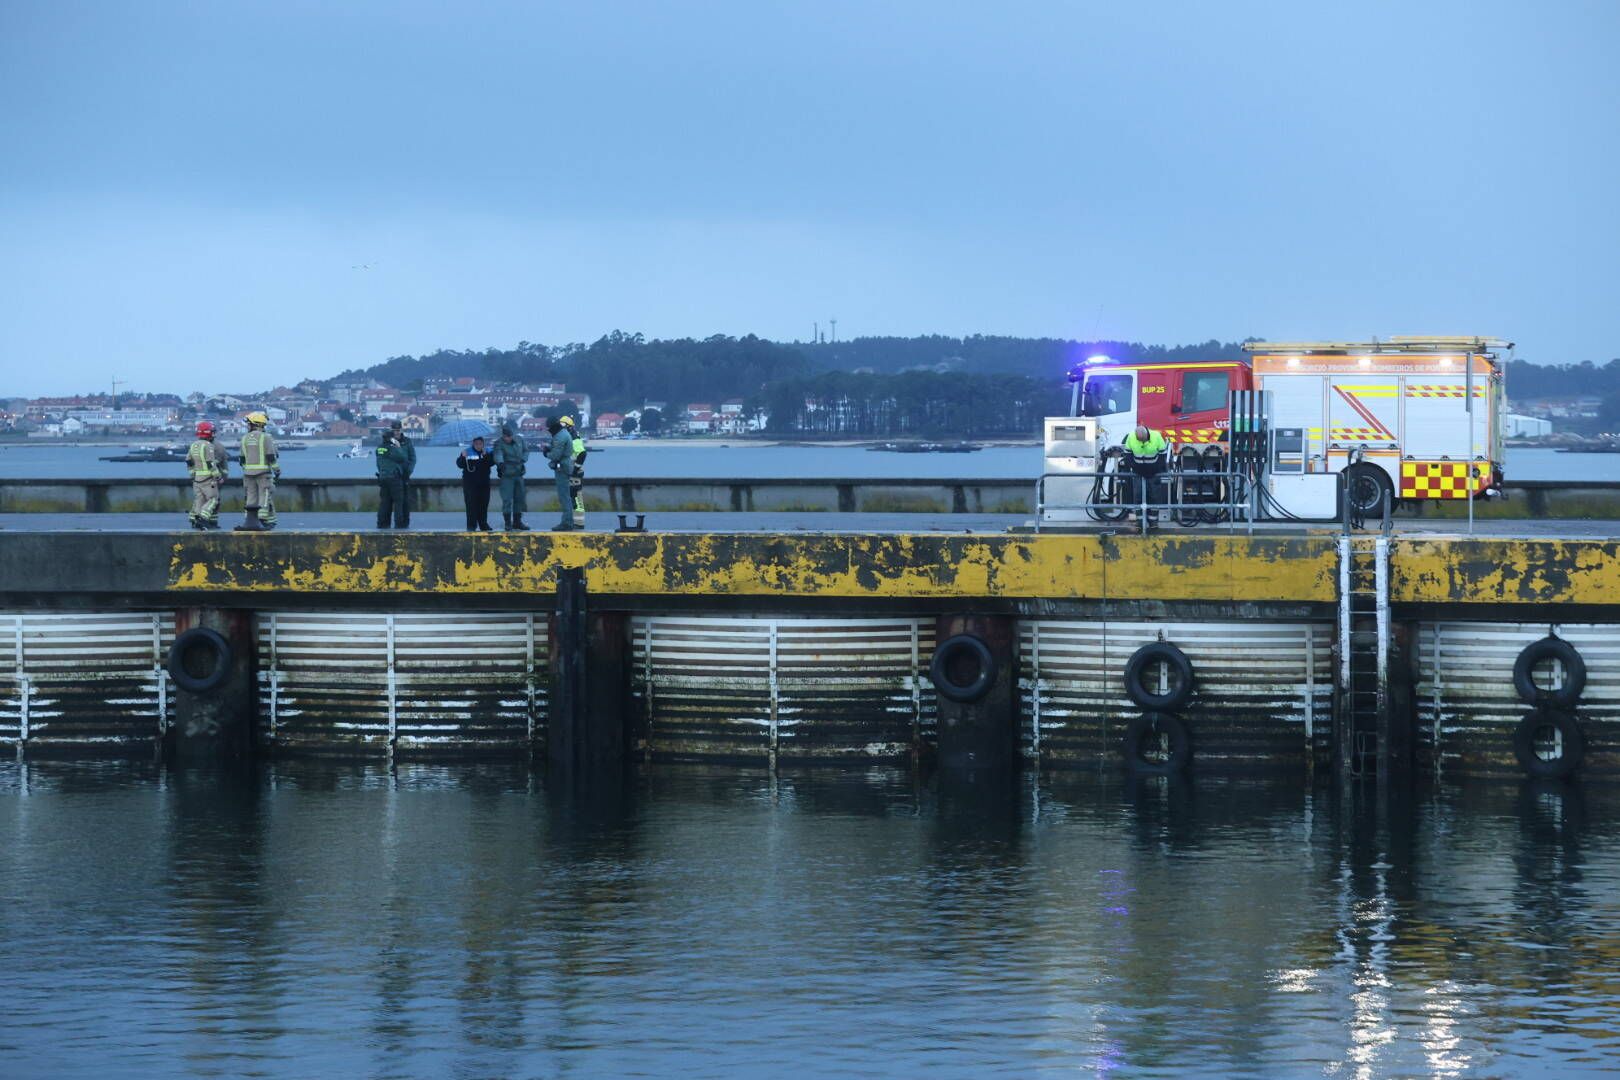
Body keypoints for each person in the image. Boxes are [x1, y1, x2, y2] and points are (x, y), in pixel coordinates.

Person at [235, 411, 279, 531]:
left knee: (251, 496)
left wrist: (246, 469)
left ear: (254, 424)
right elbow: (271, 456)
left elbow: (242, 459)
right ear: (261, 425)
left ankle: (249, 520)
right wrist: (277, 470)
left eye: (249, 424)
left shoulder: (244, 438)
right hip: (263, 473)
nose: (247, 426)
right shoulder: (266, 437)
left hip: (248, 473)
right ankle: (262, 520)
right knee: (264, 496)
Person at [1122, 424, 1170, 525]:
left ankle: (1153, 522)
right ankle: (1139, 522)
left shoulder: (1156, 436)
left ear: (1147, 435)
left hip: (1154, 473)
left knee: (1155, 496)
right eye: (1140, 441)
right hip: (1138, 473)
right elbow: (1127, 455)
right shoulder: (1131, 437)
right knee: (1137, 496)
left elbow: (1162, 455)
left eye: (1143, 441)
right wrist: (1135, 467)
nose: (1142, 443)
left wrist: (1155, 469)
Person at [185, 420, 228, 530]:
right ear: (210, 433)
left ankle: (196, 518)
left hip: (197, 479)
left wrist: (192, 474)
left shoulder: (194, 445)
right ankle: (203, 519)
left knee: (199, 499)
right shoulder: (208, 445)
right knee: (213, 499)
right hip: (208, 478)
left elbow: (188, 461)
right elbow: (210, 463)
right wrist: (218, 476)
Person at [492, 423, 530, 530]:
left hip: (519, 472)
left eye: (509, 436)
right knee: (507, 499)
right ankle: (508, 523)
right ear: (503, 435)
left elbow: (526, 450)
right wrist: (500, 463)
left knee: (519, 498)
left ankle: (517, 522)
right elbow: (497, 454)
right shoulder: (499, 443)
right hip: (507, 474)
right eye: (505, 436)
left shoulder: (519, 440)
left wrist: (523, 459)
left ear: (513, 435)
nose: (507, 438)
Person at [545, 417, 579, 530]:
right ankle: (568, 521)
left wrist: (546, 453)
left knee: (564, 496)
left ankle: (567, 523)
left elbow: (555, 455)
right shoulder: (564, 433)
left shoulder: (559, 436)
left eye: (548, 428)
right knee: (567, 496)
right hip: (567, 465)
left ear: (552, 427)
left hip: (562, 467)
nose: (548, 430)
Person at [456, 435, 495, 531]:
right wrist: (462, 457)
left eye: (480, 444)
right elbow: (459, 465)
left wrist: (485, 455)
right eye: (476, 444)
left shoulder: (488, 451)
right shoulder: (467, 452)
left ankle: (483, 524)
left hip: (484, 483)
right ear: (473, 443)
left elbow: (492, 462)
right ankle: (471, 525)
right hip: (470, 484)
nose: (478, 445)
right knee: (471, 505)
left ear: (483, 444)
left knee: (484, 504)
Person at [375, 428, 410, 529]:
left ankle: (382, 523)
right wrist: (398, 446)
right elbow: (403, 457)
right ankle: (399, 524)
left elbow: (379, 463)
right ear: (392, 439)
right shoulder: (392, 449)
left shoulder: (379, 449)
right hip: (394, 478)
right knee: (398, 501)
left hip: (382, 477)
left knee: (384, 502)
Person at [386, 419, 417, 527]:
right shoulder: (388, 442)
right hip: (392, 476)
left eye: (398, 430)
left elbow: (413, 458)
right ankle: (394, 524)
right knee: (392, 502)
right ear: (392, 430)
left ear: (401, 430)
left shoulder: (407, 441)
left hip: (405, 475)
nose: (396, 432)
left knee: (405, 502)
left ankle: (405, 523)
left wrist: (409, 470)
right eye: (394, 430)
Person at [561, 415, 587, 528]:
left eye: (563, 425)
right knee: (572, 496)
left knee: (576, 496)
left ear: (569, 427)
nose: (561, 428)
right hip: (571, 471)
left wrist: (576, 469)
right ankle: (575, 521)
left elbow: (582, 454)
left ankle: (579, 522)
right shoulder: (569, 437)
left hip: (575, 472)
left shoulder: (574, 438)